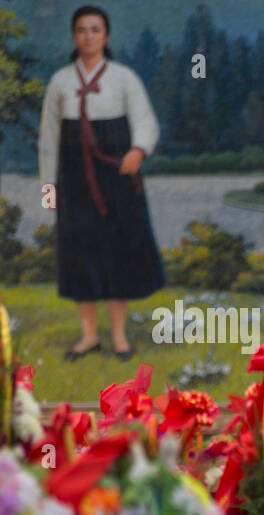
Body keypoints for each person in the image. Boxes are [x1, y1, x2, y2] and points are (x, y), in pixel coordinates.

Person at [38, 5, 164, 362]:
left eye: (95, 29)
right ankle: (89, 336)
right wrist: (49, 187)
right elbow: (48, 137)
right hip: (74, 179)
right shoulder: (61, 81)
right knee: (81, 254)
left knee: (116, 252)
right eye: (81, 30)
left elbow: (145, 121)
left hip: (117, 179)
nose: (88, 36)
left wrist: (138, 150)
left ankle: (120, 337)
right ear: (73, 36)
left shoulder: (124, 78)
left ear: (106, 37)